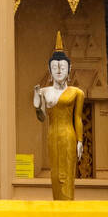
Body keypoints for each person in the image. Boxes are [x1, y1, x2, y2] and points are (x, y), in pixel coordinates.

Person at [33, 32, 85, 200]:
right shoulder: (44, 91)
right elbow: (41, 117)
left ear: (69, 69)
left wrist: (80, 141)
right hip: (53, 135)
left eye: (62, 67)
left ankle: (68, 208)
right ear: (49, 70)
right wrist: (37, 102)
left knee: (67, 175)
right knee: (55, 175)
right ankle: (58, 205)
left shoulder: (77, 92)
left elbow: (77, 118)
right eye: (55, 67)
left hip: (69, 135)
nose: (59, 70)